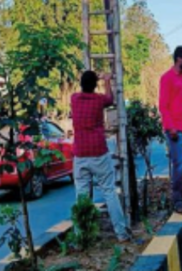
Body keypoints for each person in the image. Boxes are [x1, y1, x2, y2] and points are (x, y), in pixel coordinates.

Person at [70, 70, 132, 242]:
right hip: (98, 151)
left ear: (81, 84)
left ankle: (81, 235)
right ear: (95, 85)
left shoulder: (74, 99)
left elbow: (85, 86)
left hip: (80, 153)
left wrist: (94, 78)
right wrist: (106, 79)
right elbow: (110, 99)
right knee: (109, 192)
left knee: (81, 195)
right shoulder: (98, 101)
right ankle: (121, 233)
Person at [159, 46, 182, 214]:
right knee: (178, 165)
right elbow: (163, 105)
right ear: (179, 58)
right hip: (174, 129)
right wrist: (170, 126)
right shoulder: (166, 78)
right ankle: (177, 201)